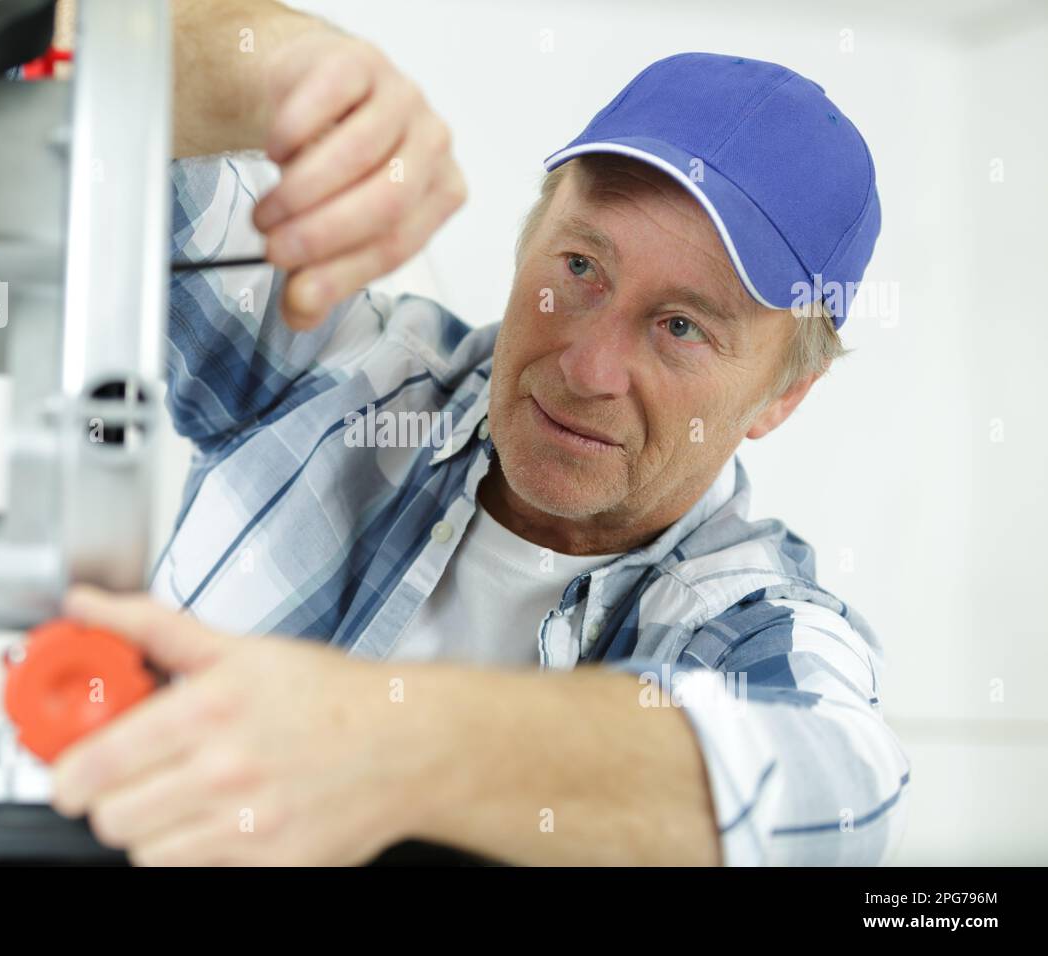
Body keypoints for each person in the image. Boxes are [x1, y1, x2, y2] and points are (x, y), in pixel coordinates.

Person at [49, 0, 910, 866]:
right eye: (580, 268)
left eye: (682, 327)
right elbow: (52, 87)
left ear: (784, 396)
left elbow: (838, 800)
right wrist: (261, 62)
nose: (587, 368)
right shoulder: (339, 373)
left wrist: (379, 742)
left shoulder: (749, 622)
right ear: (527, 241)